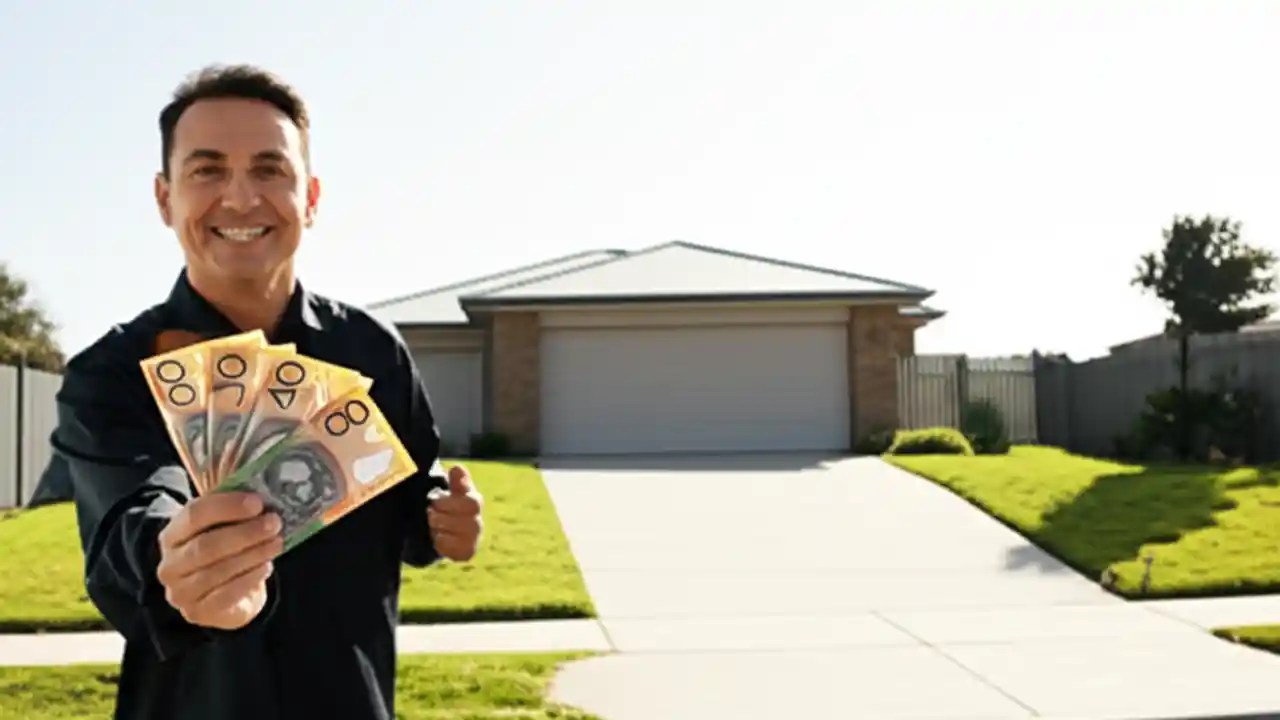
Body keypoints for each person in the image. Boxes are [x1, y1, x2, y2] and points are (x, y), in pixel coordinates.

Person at [51, 64, 484, 720]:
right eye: (207, 170)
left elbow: (407, 496)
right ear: (165, 199)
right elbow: (131, 524)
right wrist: (184, 562)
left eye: (268, 169)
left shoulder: (373, 349)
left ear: (310, 197)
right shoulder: (109, 374)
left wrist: (441, 517)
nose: (240, 198)